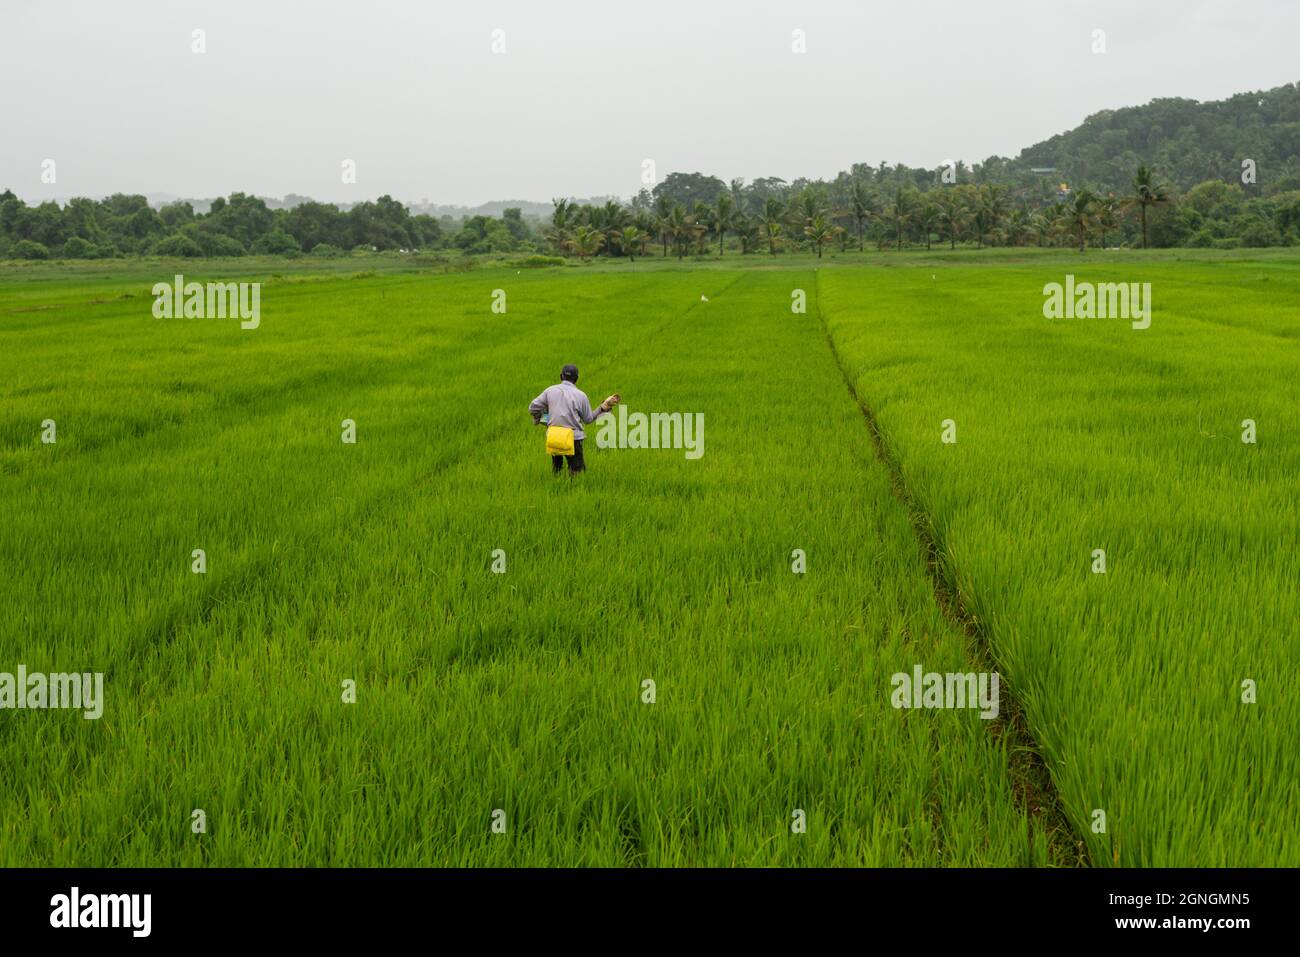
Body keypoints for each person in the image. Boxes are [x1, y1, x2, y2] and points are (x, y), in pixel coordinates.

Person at [528, 364, 619, 475]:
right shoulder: (581, 395)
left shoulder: (550, 391)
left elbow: (532, 407)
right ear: (576, 379)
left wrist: (540, 418)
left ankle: (557, 489)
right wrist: (602, 408)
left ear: (561, 376)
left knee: (557, 471)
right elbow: (588, 419)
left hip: (554, 436)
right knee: (577, 473)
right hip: (573, 438)